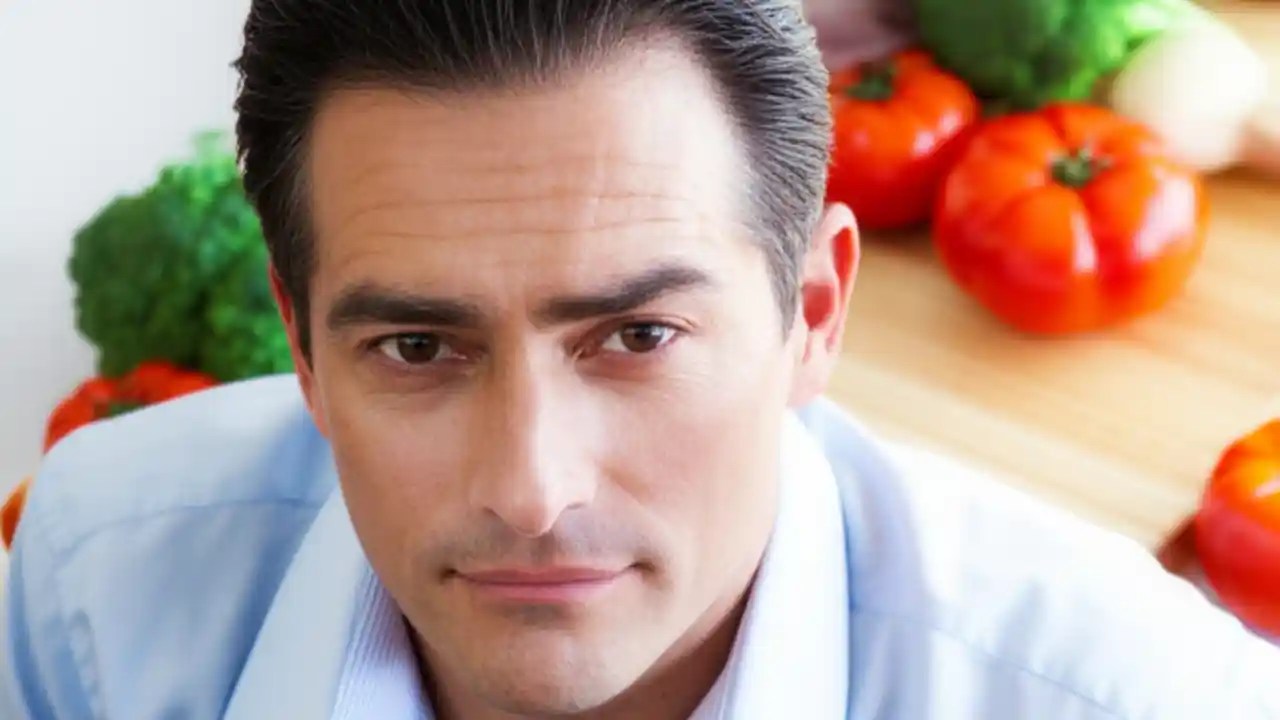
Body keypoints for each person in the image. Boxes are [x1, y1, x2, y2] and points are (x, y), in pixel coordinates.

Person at [3, 1, 1279, 718]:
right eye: (414, 345)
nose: (530, 488)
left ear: (813, 313)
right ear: (301, 344)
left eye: (637, 336)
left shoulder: (1133, 698)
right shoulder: (96, 577)